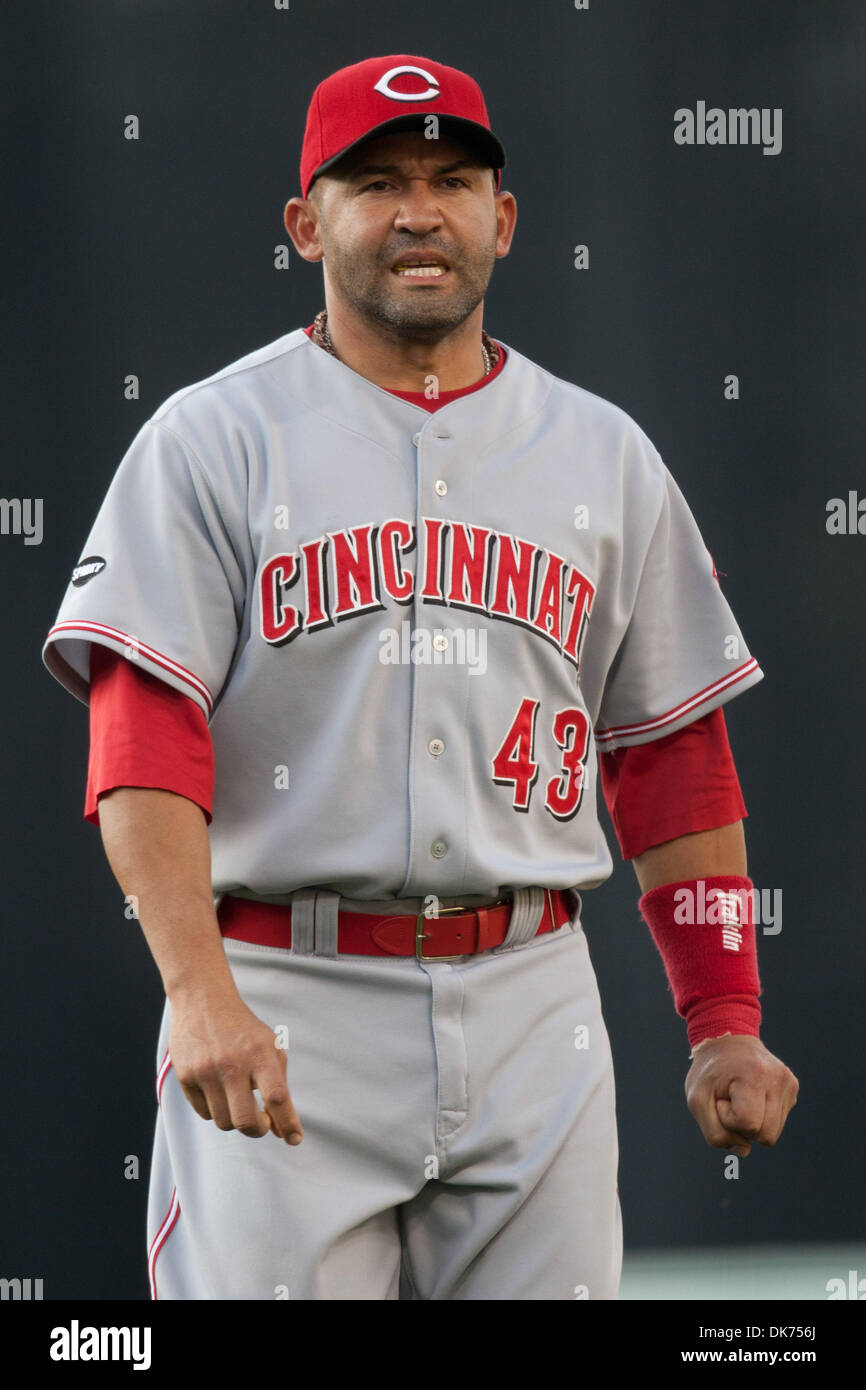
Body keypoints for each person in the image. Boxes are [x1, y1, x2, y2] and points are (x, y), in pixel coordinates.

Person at [42, 53, 798, 1301]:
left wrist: (722, 1013)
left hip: (532, 1000)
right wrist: (198, 993)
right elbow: (143, 738)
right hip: (287, 994)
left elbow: (670, 756)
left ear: (500, 220)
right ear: (305, 225)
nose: (416, 211)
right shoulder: (212, 438)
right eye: (375, 181)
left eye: (452, 180)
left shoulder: (601, 453)